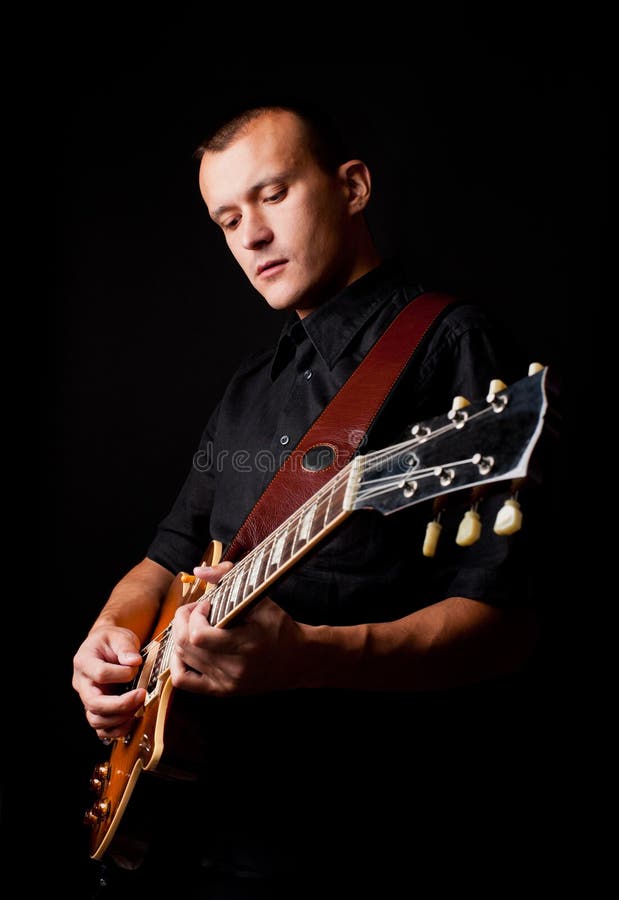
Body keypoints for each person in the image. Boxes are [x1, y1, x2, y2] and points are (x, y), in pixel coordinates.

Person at [72, 97, 549, 898]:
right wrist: (110, 636)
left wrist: (309, 658)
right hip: (200, 827)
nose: (251, 235)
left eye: (273, 194)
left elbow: (508, 632)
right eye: (227, 219)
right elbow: (167, 555)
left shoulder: (452, 344)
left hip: (367, 842)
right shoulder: (247, 386)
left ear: (352, 187)